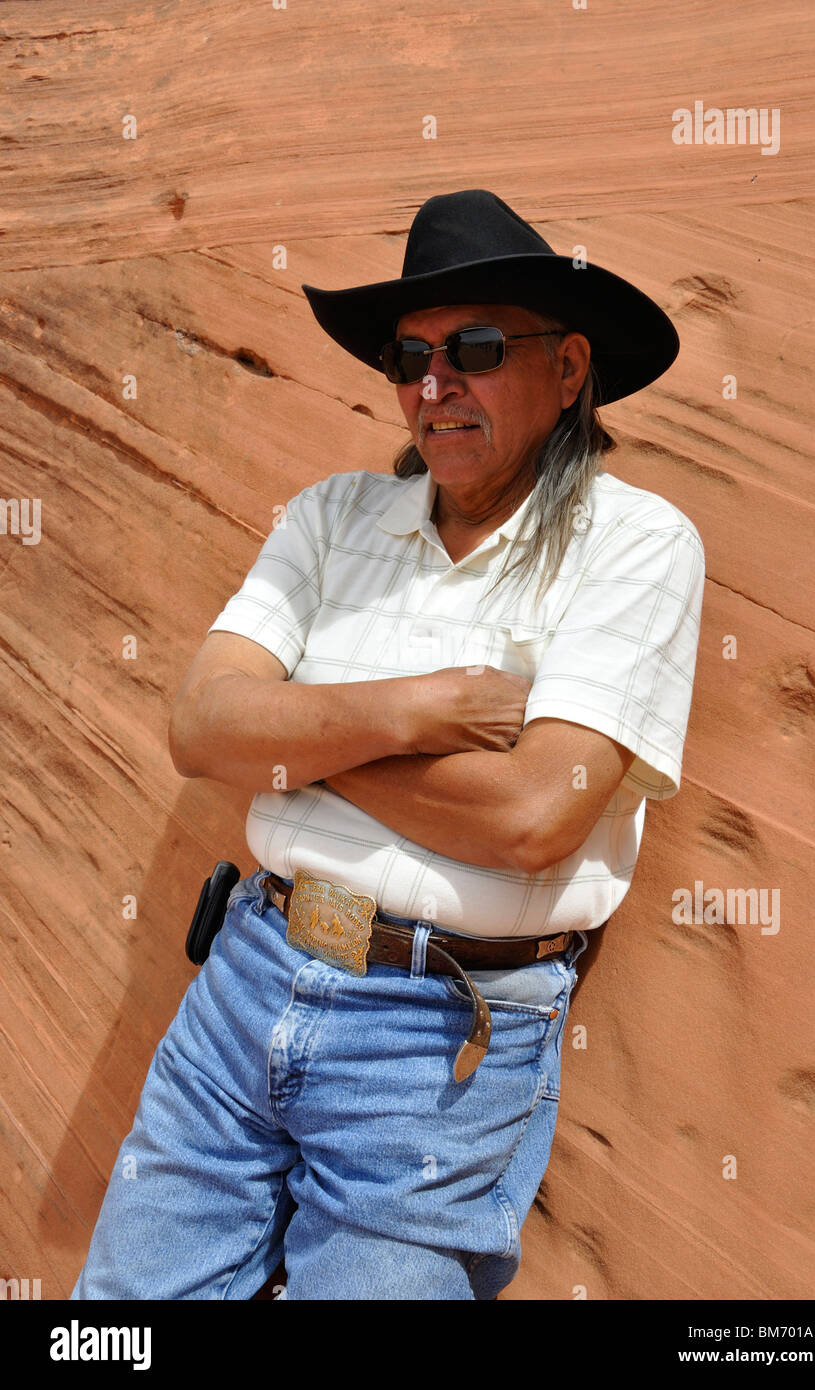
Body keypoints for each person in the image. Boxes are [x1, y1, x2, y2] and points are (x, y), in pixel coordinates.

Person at [70, 189, 705, 1301]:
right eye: (407, 355)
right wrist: (415, 707)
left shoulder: (637, 543)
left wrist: (296, 732)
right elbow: (195, 726)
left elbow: (530, 817)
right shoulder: (330, 515)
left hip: (439, 1045)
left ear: (567, 371)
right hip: (247, 977)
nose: (431, 383)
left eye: (475, 347)